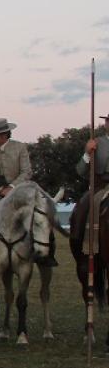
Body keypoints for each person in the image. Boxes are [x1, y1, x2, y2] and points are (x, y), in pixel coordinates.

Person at [0, 118, 49, 266]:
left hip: (18, 188)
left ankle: (46, 253)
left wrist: (12, 187)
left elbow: (26, 172)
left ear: (4, 135)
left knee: (39, 213)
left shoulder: (20, 147)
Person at [70, 113, 109, 264]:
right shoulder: (96, 142)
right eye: (108, 121)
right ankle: (80, 245)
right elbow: (80, 170)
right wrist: (87, 152)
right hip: (100, 186)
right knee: (83, 207)